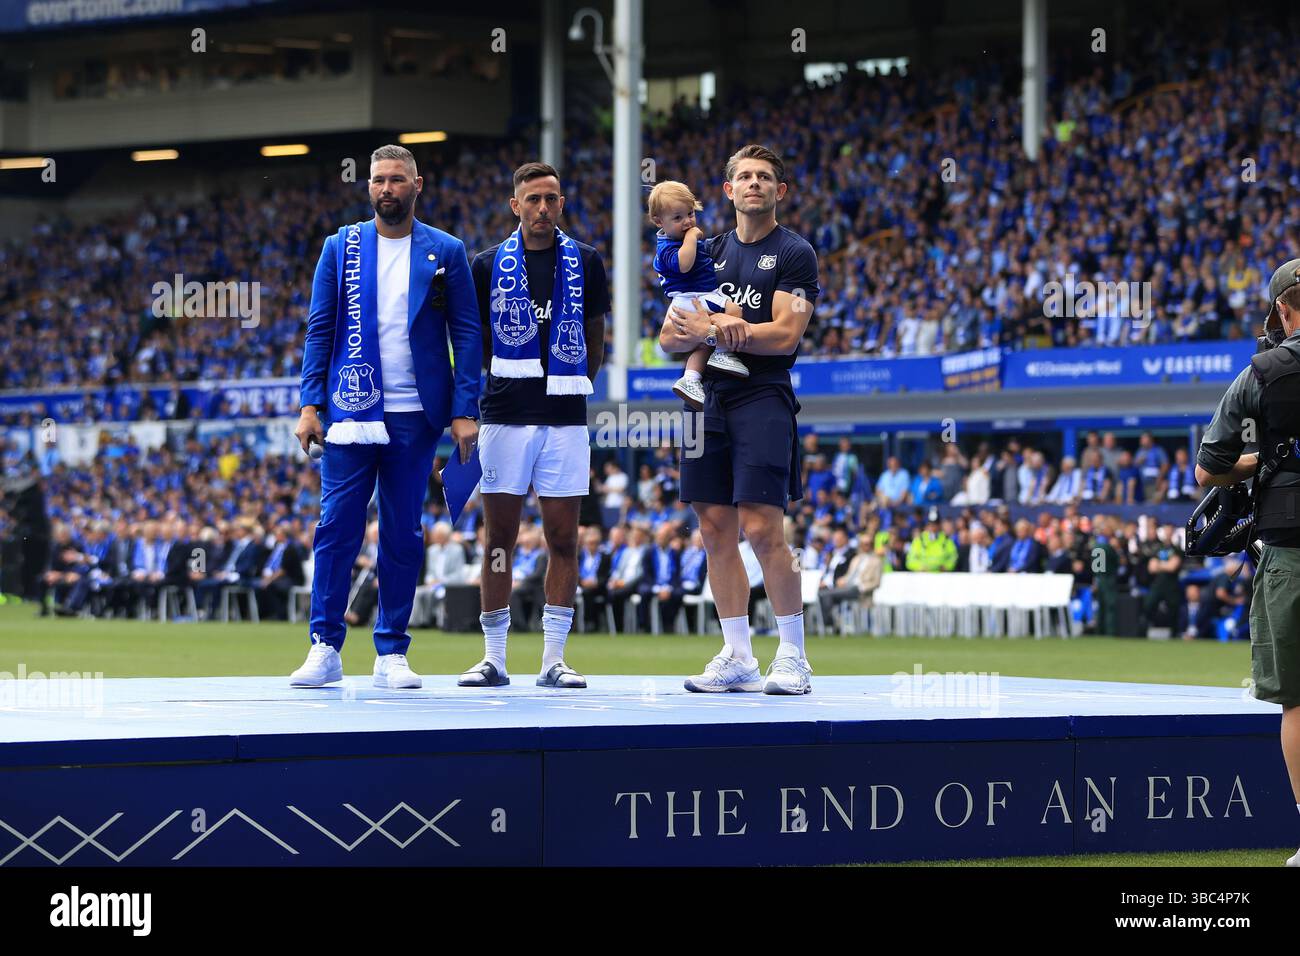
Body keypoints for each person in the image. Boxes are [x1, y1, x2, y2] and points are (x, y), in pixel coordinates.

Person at [291, 144, 481, 689]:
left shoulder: (446, 250)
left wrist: (464, 409)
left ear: (417, 185)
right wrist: (309, 405)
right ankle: (325, 646)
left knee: (402, 530)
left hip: (414, 414)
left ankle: (392, 650)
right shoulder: (341, 247)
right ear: (368, 185)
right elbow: (319, 328)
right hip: (349, 409)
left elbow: (467, 332)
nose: (386, 188)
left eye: (397, 179)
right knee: (337, 526)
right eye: (378, 179)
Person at [658, 144, 821, 694]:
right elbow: (668, 336)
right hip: (703, 397)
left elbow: (786, 335)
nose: (754, 183)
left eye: (764, 177)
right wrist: (715, 330)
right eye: (745, 177)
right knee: (712, 528)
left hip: (761, 396)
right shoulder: (705, 249)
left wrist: (730, 330)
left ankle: (793, 656)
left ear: (780, 190)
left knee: (762, 527)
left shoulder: (795, 253)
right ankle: (738, 655)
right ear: (728, 191)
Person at [459, 161, 608, 689]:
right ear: (515, 205)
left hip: (565, 420)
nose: (542, 208)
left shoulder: (587, 261)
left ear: (561, 204)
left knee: (563, 537)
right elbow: (475, 342)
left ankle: (553, 659)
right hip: (504, 416)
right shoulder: (485, 265)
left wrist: (570, 386)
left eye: (551, 199)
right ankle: (494, 658)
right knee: (499, 538)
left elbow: (595, 339)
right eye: (533, 199)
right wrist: (507, 380)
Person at [1195, 257, 1300, 866]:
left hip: (1292, 551)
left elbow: (1208, 467)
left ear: (1282, 309)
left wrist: (1266, 462)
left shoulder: (1260, 373)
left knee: (1298, 701)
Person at [646, 180, 748, 409]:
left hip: (696, 296)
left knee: (703, 346)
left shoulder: (678, 240)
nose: (687, 222)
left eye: (690, 214)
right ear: (659, 221)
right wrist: (692, 237)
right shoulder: (667, 247)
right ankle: (723, 351)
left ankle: (690, 378)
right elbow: (684, 264)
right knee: (734, 310)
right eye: (677, 218)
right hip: (692, 299)